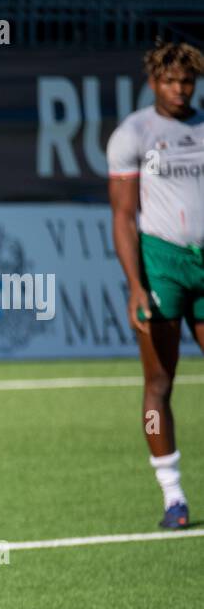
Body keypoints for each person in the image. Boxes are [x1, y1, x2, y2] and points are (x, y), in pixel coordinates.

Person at [109, 40, 204, 531]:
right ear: (153, 83)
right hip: (161, 262)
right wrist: (135, 286)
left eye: (187, 81)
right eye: (170, 81)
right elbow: (124, 216)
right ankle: (173, 496)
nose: (180, 90)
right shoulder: (135, 133)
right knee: (159, 382)